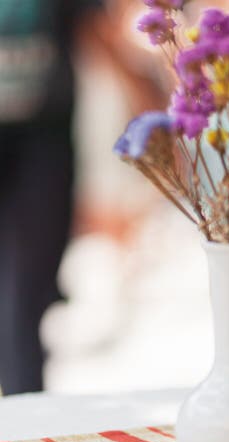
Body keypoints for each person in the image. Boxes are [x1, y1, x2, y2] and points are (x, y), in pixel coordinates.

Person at [0, 1, 161, 394]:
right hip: (39, 146)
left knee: (25, 300)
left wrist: (153, 103)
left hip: (42, 147)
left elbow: (96, 30)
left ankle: (25, 427)